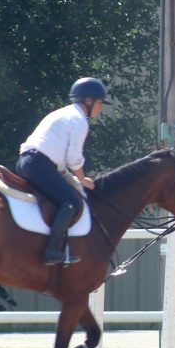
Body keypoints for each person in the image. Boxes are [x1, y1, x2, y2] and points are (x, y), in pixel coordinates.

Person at [17, 77, 111, 265]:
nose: (100, 108)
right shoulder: (79, 120)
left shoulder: (61, 114)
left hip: (28, 162)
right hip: (39, 165)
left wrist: (71, 179)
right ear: (89, 101)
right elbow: (74, 158)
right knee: (71, 202)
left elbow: (59, 162)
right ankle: (51, 250)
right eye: (99, 103)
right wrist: (83, 180)